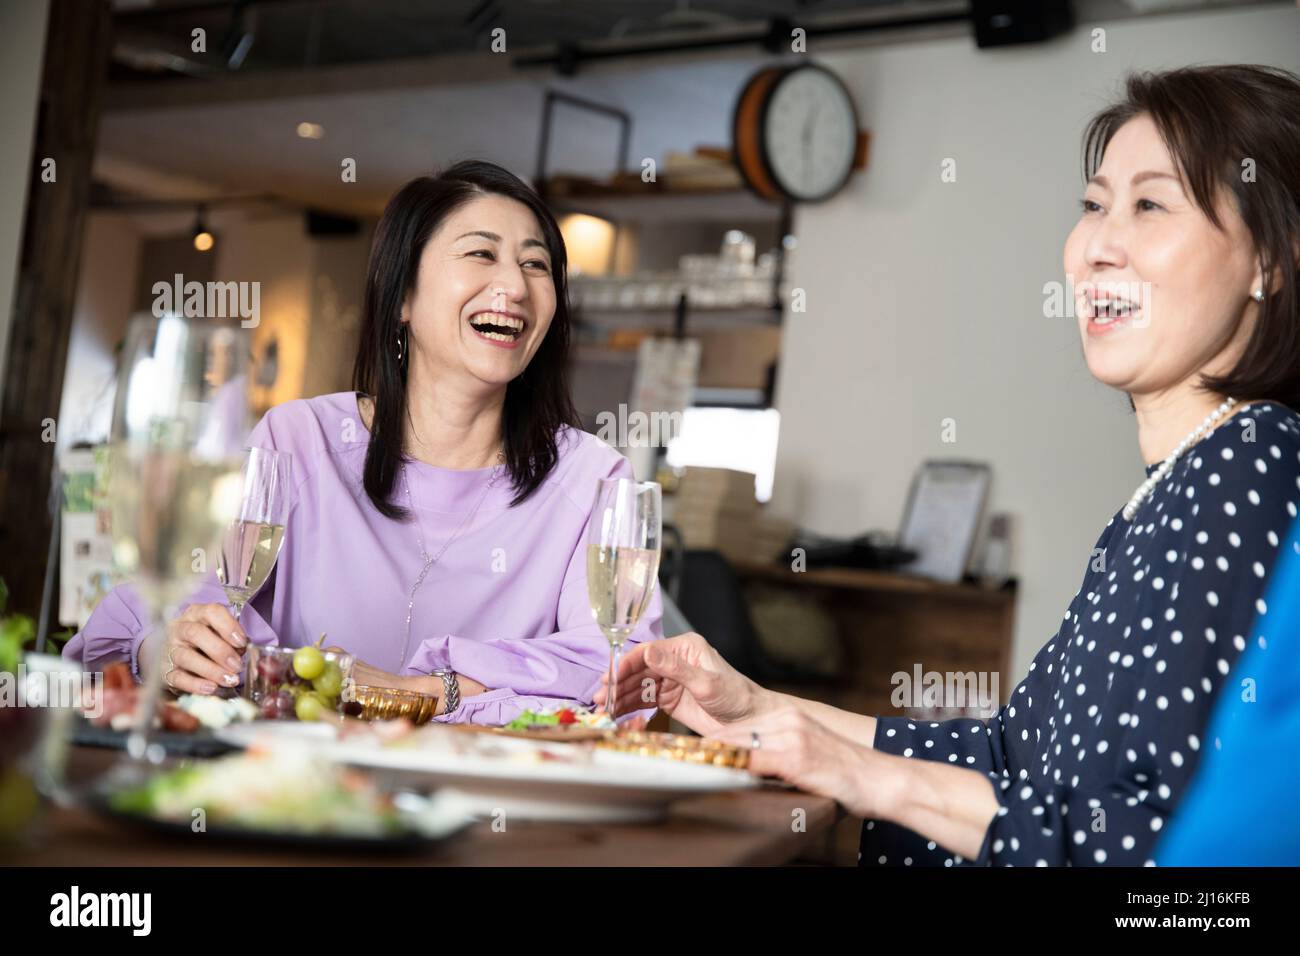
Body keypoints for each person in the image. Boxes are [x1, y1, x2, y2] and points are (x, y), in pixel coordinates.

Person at [598, 65, 1300, 865]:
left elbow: (1180, 867)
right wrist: (754, 705)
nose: (1097, 247)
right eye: (1094, 204)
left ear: (1269, 261)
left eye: (1149, 204)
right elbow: (1010, 757)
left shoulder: (1250, 464)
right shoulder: (1174, 490)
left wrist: (870, 777)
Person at [65, 160, 663, 725]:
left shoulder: (591, 479)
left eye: (536, 266)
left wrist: (432, 691)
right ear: (402, 296)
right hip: (287, 795)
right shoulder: (298, 443)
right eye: (482, 253)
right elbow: (161, 602)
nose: (514, 283)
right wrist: (166, 647)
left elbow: (622, 674)